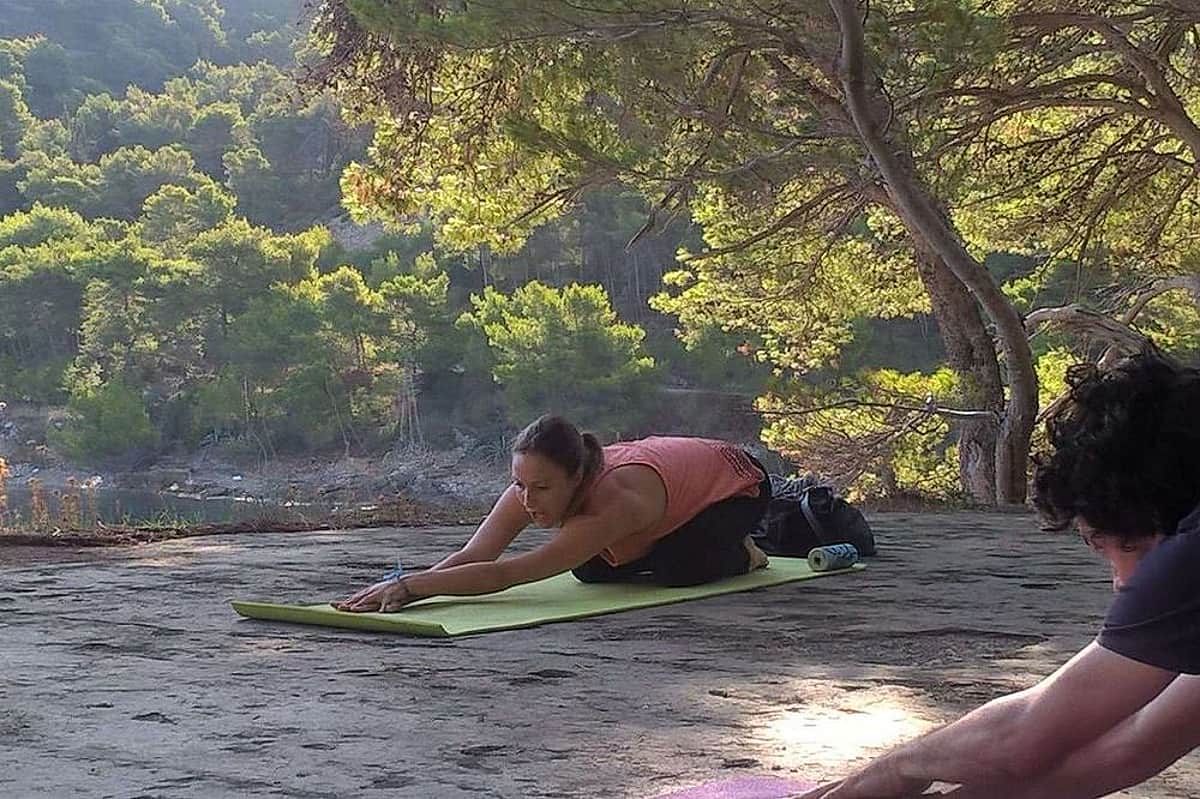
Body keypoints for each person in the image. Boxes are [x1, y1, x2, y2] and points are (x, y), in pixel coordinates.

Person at [799, 348, 1200, 799]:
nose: (1122, 582)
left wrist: (897, 768)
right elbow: (1132, 747)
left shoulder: (1189, 557)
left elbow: (1021, 739)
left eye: (1117, 545)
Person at [334, 415, 772, 613]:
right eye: (519, 484)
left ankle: (746, 553)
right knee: (589, 570)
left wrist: (414, 587)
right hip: (667, 495)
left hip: (736, 485)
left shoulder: (614, 500)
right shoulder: (530, 484)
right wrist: (404, 586)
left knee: (676, 568)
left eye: (541, 489)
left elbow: (508, 574)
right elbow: (477, 554)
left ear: (577, 476)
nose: (527, 499)